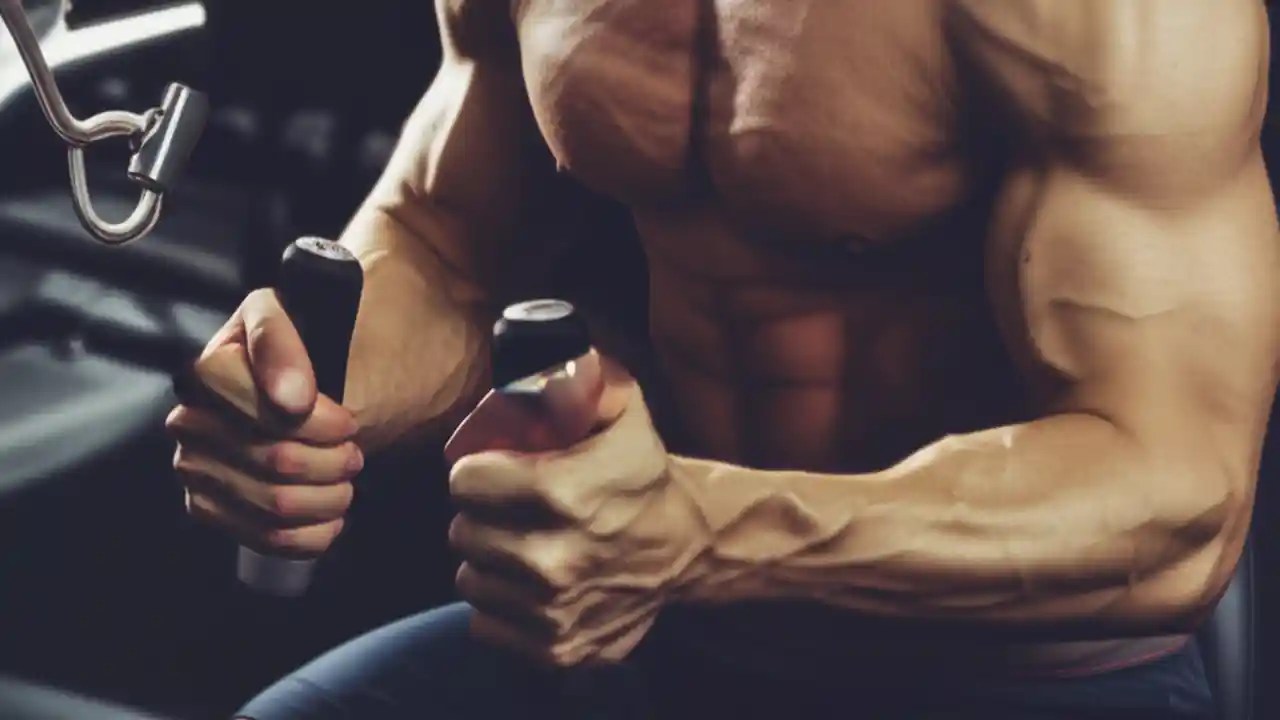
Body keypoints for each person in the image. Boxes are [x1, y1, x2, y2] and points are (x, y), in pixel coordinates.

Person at [166, 0, 1278, 717]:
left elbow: (1177, 495)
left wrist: (702, 531)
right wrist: (311, 390)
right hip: (645, 639)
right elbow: (436, 241)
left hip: (1010, 678)